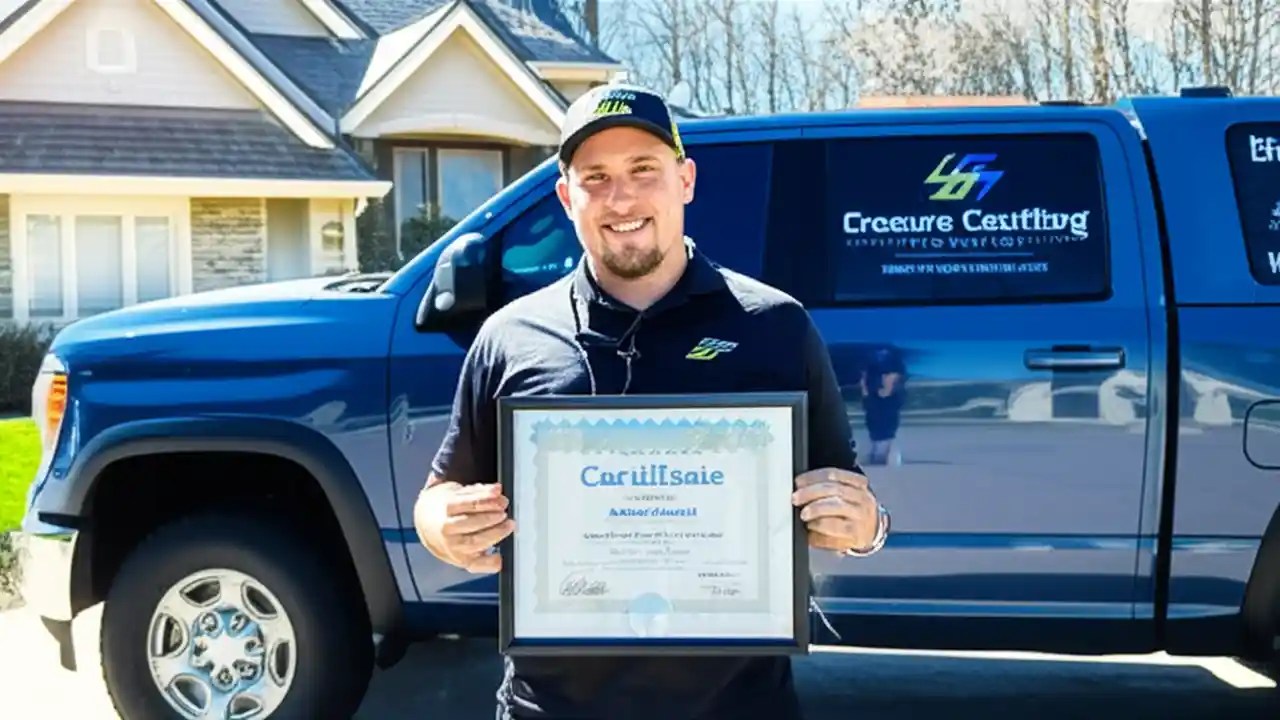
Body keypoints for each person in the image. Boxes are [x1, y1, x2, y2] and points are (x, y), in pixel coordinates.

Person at [414, 83, 890, 720]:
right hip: (550, 707)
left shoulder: (774, 325)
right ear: (566, 197)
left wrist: (863, 527)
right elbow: (441, 491)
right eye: (597, 177)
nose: (622, 197)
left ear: (685, 180)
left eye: (645, 170)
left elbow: (847, 493)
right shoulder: (511, 336)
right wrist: (444, 526)